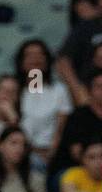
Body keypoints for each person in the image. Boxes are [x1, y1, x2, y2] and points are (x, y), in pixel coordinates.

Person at [15, 39, 71, 169]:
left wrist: (50, 154)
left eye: (40, 54)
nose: (35, 59)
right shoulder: (14, 89)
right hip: (20, 153)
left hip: (52, 154)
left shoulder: (59, 90)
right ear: (21, 62)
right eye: (29, 55)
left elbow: (61, 128)